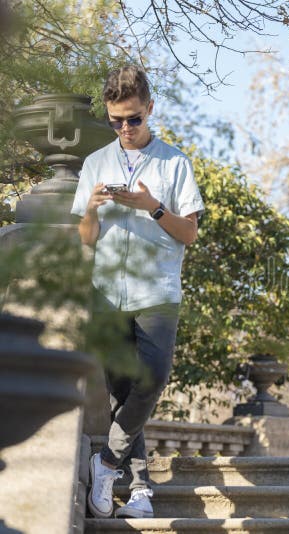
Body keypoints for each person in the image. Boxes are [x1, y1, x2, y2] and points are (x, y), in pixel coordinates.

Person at [72, 66, 204, 518]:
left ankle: (106, 462)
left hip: (158, 290)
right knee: (120, 391)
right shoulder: (95, 164)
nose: (125, 128)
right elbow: (86, 239)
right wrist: (90, 209)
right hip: (107, 291)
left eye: (133, 119)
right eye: (116, 121)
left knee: (152, 378)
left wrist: (153, 206)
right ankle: (141, 488)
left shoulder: (175, 163)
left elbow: (188, 233)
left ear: (149, 109)